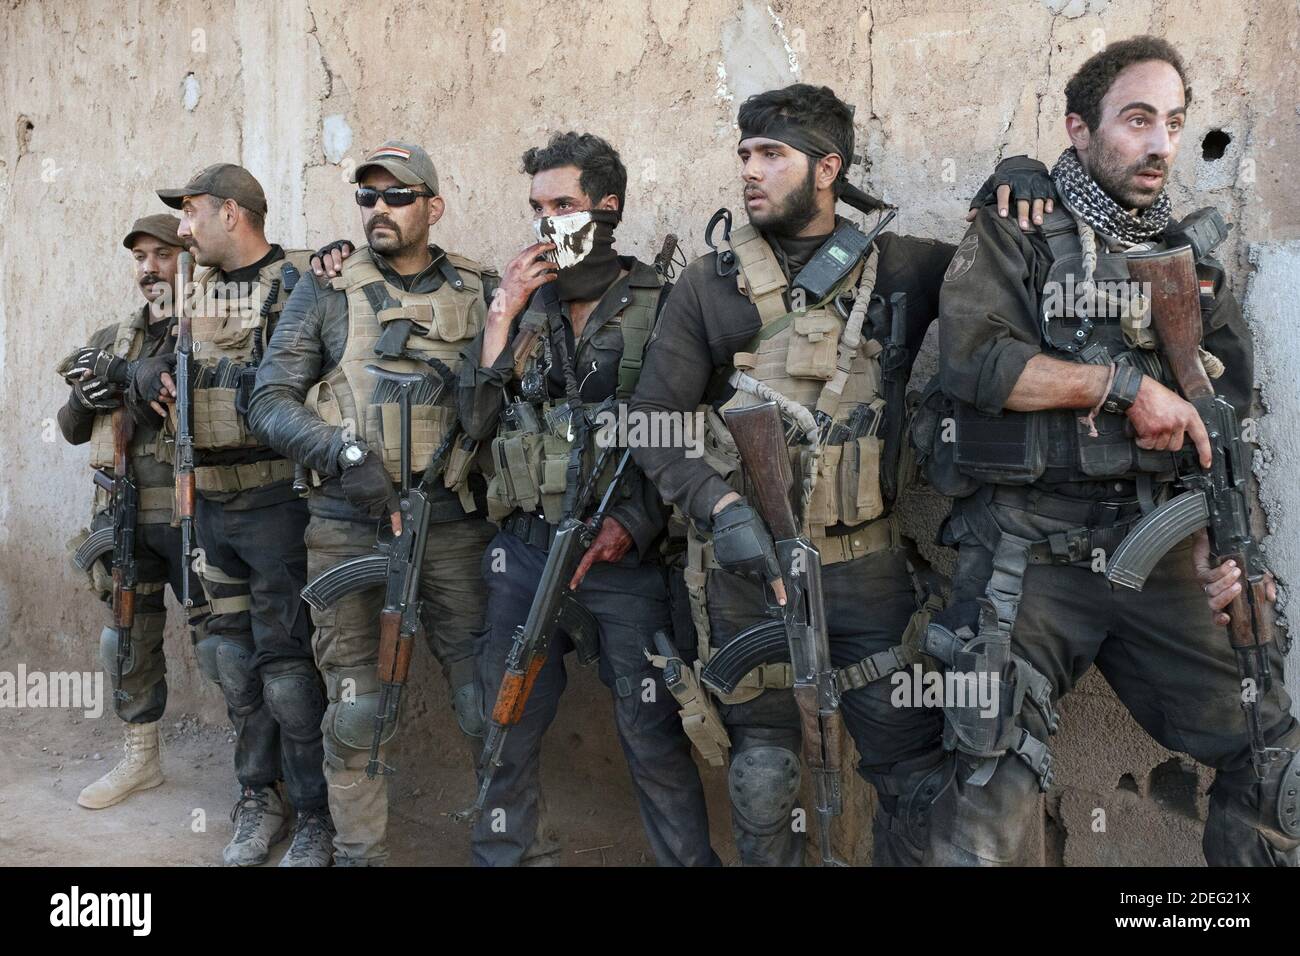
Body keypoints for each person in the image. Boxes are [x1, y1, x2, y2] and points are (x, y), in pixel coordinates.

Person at [926, 35, 1299, 866]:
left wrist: (1223, 537)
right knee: (988, 786)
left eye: (1173, 123)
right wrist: (1124, 389)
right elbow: (975, 363)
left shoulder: (1189, 261)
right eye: (1137, 120)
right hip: (1028, 554)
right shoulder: (1013, 230)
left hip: (1157, 550)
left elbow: (1224, 421)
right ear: (1079, 128)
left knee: (1276, 760)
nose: (1161, 144)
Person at [457, 132, 719, 866]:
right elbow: (473, 427)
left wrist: (634, 525)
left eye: (563, 204)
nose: (547, 221)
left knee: (653, 737)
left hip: (624, 560)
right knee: (504, 724)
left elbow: (695, 441)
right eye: (537, 206)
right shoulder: (521, 305)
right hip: (526, 553)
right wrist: (501, 319)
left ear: (607, 209)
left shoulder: (665, 304)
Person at [249, 141, 498, 866]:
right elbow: (270, 400)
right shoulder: (325, 289)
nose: (379, 209)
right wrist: (341, 454)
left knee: (485, 700)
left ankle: (509, 844)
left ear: (433, 207)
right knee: (356, 709)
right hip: (346, 526)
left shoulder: (480, 290)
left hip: (452, 523)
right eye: (367, 197)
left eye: (397, 196)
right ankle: (360, 853)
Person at [132, 164, 330, 866]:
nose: (182, 230)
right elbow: (142, 355)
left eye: (191, 214)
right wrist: (140, 374)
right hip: (208, 504)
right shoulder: (195, 291)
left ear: (233, 214)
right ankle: (257, 798)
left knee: (287, 672)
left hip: (277, 504)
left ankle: (313, 815)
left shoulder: (300, 282)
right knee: (230, 661)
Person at [59, 214, 210, 811]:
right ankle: (140, 758)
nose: (150, 268)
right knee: (124, 638)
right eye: (140, 257)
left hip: (191, 515)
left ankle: (263, 781)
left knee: (226, 647)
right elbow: (72, 431)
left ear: (188, 260)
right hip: (123, 515)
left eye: (163, 255)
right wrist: (80, 397)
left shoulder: (205, 330)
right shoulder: (111, 338)